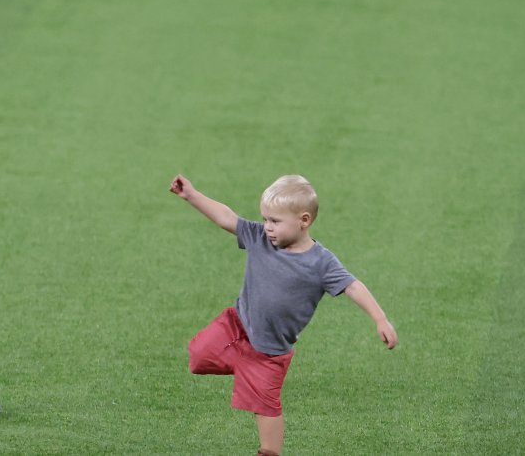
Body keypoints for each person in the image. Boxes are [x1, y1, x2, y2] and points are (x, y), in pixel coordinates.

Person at [168, 174, 396, 455]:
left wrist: (380, 318)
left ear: (304, 220)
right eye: (265, 219)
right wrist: (191, 195)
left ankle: (270, 452)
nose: (267, 228)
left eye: (275, 221)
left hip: (270, 353)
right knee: (198, 356)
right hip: (237, 326)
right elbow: (227, 217)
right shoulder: (258, 238)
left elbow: (352, 286)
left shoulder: (321, 262)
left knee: (266, 408)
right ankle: (243, 367)